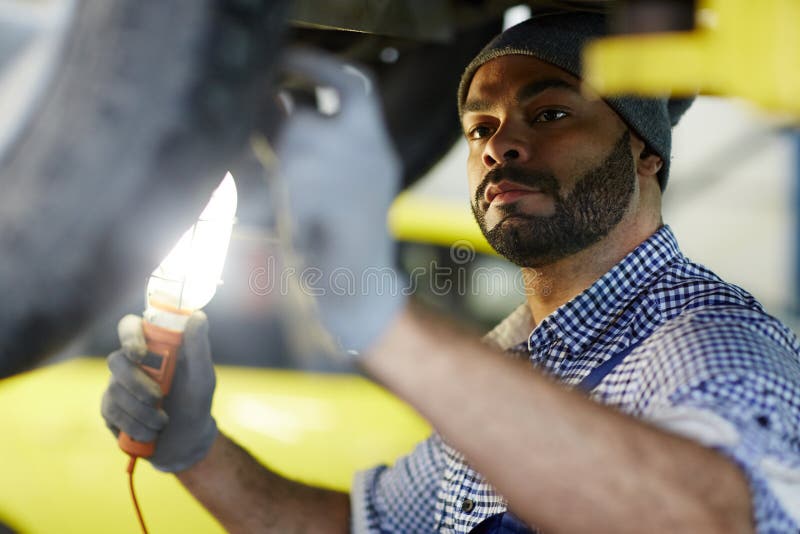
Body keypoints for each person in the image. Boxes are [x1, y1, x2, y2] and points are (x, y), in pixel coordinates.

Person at [101, 11, 800, 533]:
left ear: (645, 152)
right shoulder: (515, 356)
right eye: (479, 128)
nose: (503, 145)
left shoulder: (708, 339)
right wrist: (195, 449)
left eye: (550, 111)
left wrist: (383, 319)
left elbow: (723, 519)